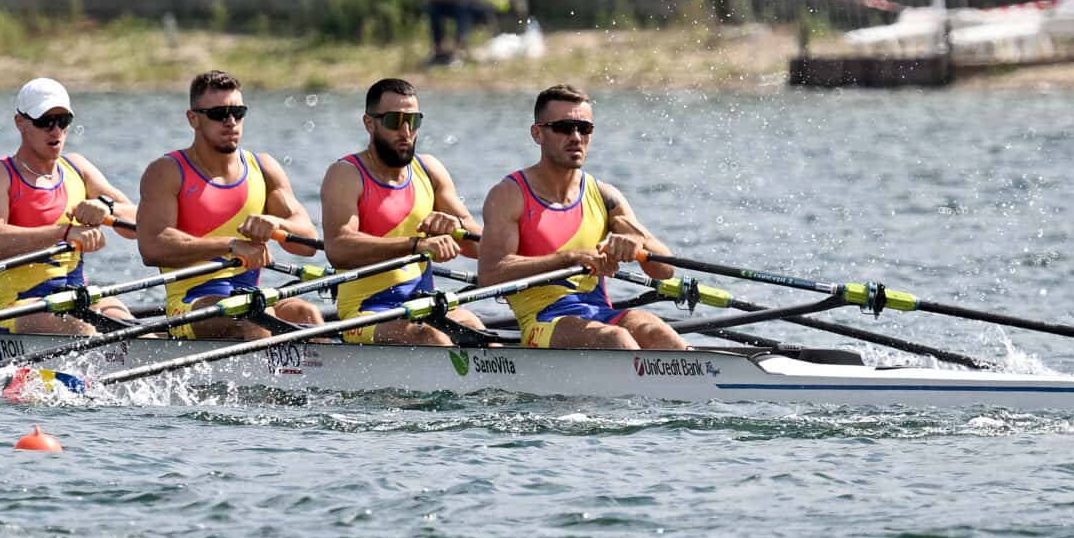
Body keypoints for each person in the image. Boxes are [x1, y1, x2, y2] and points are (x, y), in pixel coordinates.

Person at [476, 84, 687, 350]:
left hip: (600, 313)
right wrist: (570, 258)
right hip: (543, 321)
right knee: (616, 339)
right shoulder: (509, 195)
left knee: (658, 332)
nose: (576, 137)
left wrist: (637, 243)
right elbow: (490, 274)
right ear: (537, 133)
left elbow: (665, 270)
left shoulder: (605, 196)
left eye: (584, 128)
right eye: (564, 128)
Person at [137, 70, 323, 339]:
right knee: (250, 313)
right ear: (193, 119)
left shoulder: (263, 168)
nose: (231, 122)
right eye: (219, 114)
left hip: (251, 300)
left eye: (238, 112)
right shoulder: (166, 172)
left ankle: (321, 368)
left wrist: (276, 223)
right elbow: (152, 246)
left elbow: (307, 244)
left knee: (306, 313)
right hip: (190, 306)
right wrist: (230, 245)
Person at [319, 78, 485, 346]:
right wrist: (415, 245)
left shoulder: (429, 170)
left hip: (424, 307)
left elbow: (481, 247)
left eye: (413, 121)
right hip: (365, 313)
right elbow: (338, 247)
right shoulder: (346, 174)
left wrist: (456, 227)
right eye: (394, 121)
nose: (406, 131)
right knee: (432, 337)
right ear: (369, 123)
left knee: (479, 333)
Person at [0, 77, 138, 334]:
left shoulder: (77, 168)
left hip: (77, 297)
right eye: (45, 121)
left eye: (63, 121)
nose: (55, 130)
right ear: (20, 122)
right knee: (83, 330)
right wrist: (64, 233)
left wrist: (108, 209)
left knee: (134, 329)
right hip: (21, 306)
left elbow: (141, 223)